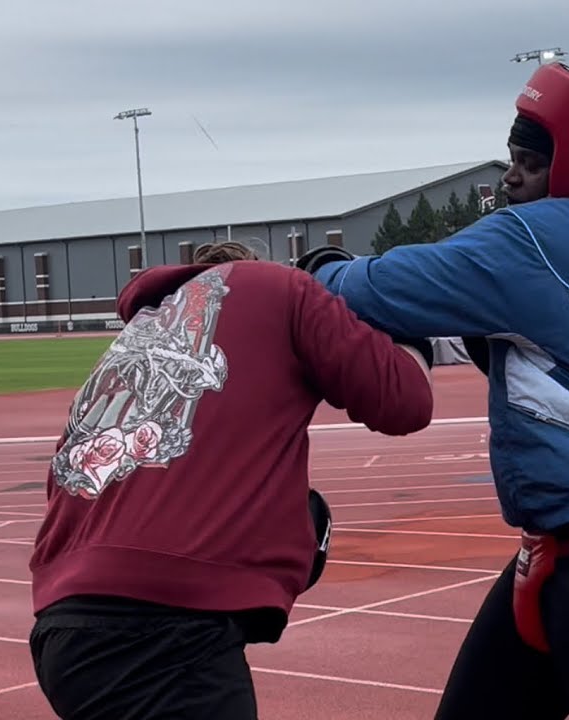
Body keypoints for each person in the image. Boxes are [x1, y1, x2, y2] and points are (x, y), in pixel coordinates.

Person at [296, 61, 569, 719]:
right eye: (512, 157)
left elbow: (370, 291)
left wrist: (316, 268)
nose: (511, 175)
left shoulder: (535, 239)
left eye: (531, 162)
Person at [26, 241, 436, 720]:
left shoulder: (144, 329)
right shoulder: (282, 288)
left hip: (65, 626)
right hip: (163, 633)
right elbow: (405, 402)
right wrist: (411, 331)